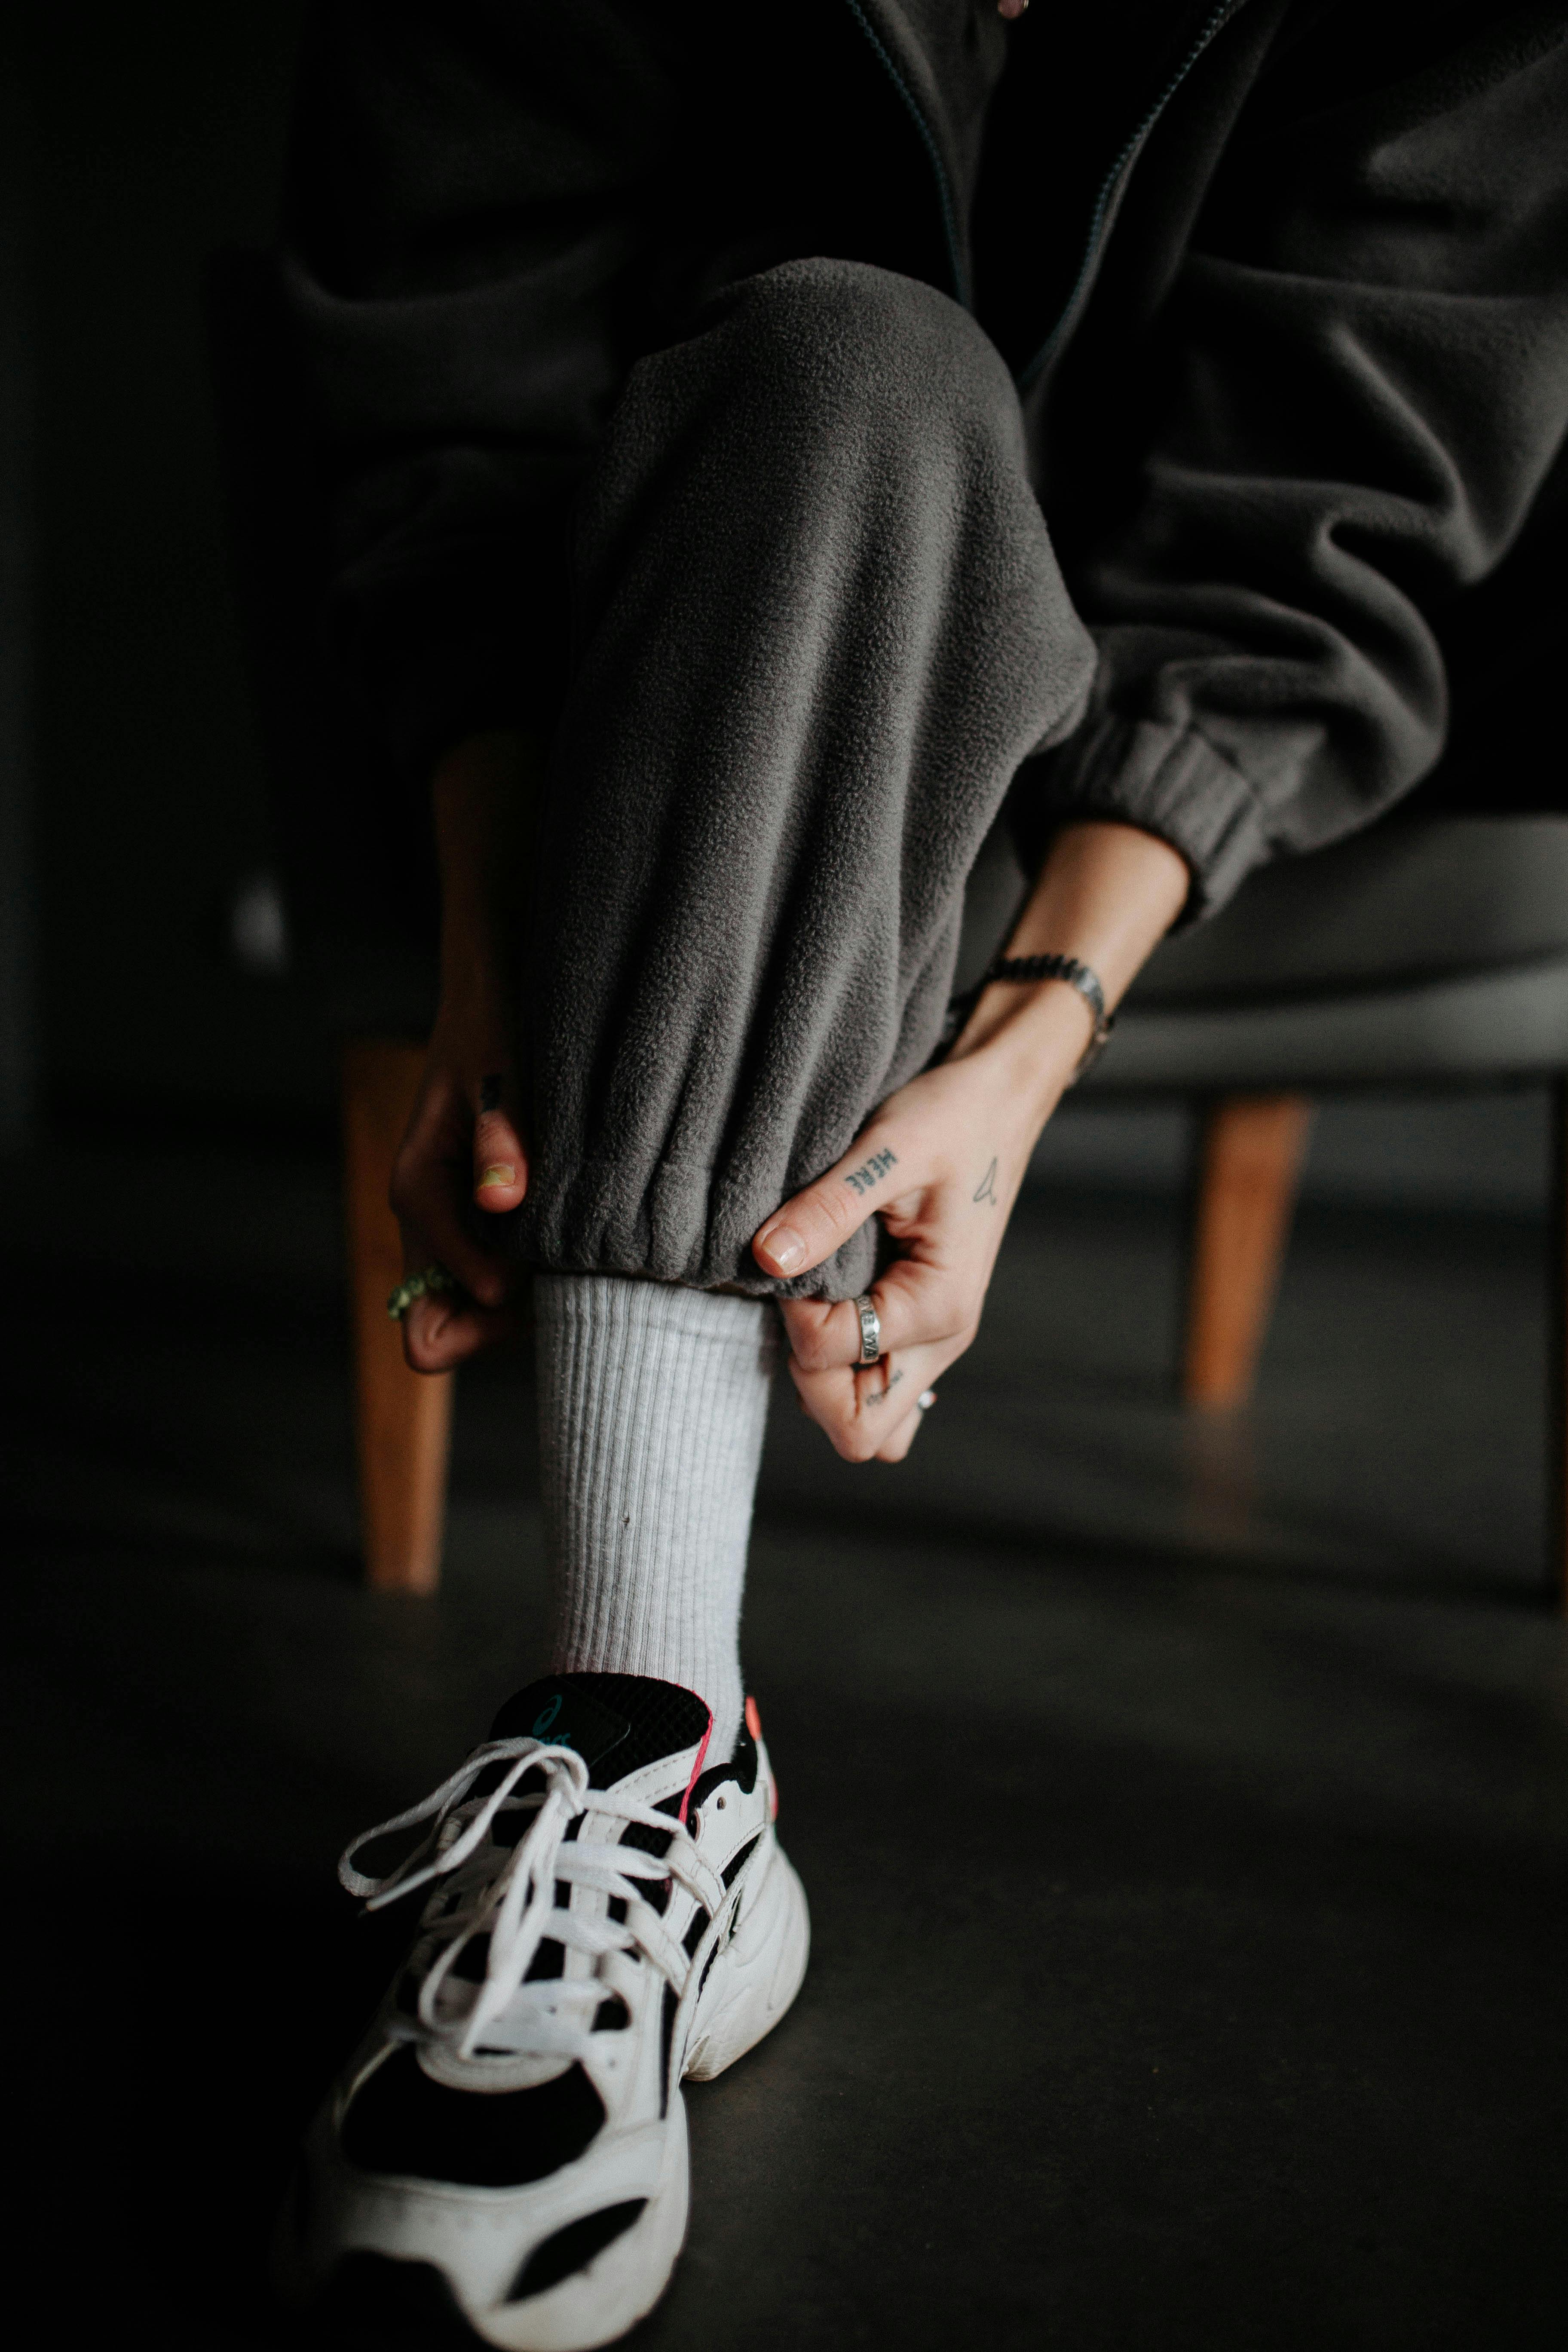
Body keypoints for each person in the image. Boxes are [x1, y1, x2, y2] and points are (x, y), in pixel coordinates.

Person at [267, 3, 1568, 2342]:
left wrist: (1044, 1018)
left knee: (906, 396)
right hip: (674, 667)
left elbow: (1348, 477)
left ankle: (642, 1764)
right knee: (852, 364)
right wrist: (487, 938)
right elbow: (446, 413)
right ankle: (658, 1736)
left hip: (1189, 731)